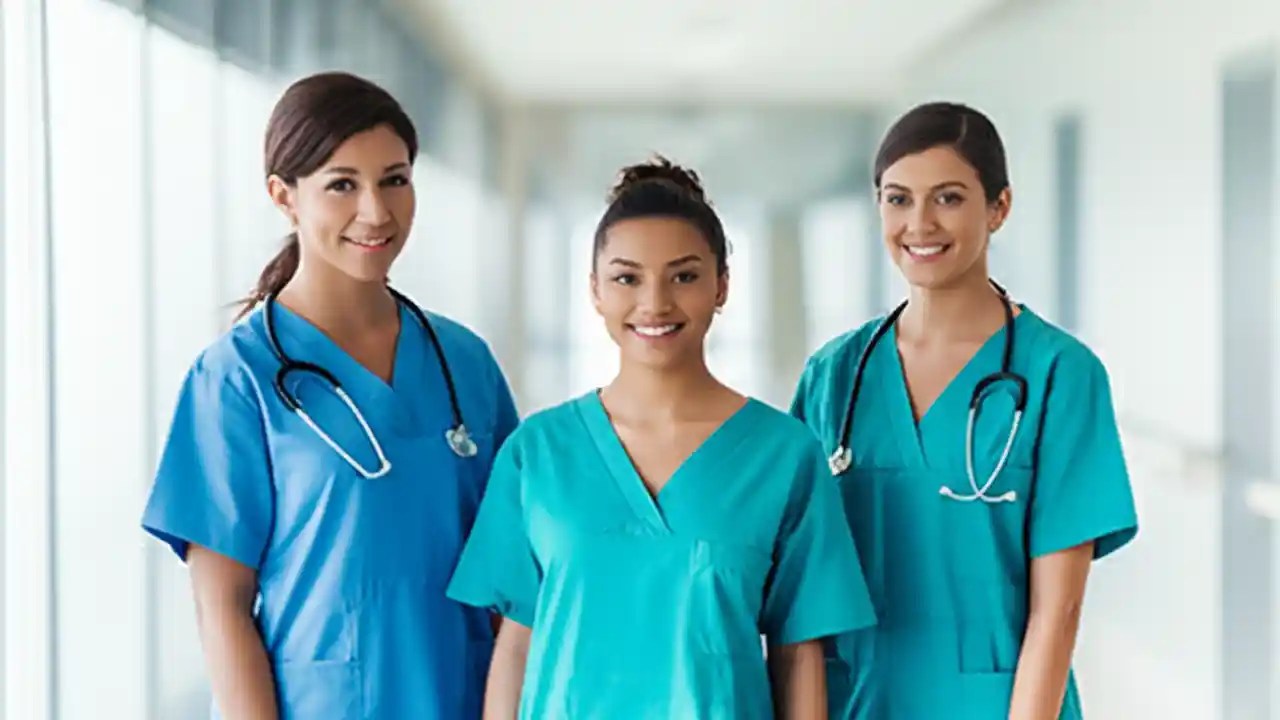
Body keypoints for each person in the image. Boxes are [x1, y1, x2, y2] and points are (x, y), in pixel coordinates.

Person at [140, 71, 519, 720]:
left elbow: (516, 577)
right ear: (283, 196)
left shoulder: (465, 363)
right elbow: (222, 605)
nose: (376, 211)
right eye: (342, 184)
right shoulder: (239, 376)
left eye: (395, 179)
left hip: (462, 699)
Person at [446, 156, 876, 719]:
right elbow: (518, 644)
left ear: (722, 285)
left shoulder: (784, 455)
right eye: (627, 278)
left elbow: (798, 655)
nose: (655, 303)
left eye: (685, 276)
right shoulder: (539, 452)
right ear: (595, 290)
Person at [790, 101, 1139, 719]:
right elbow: (800, 586)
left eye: (948, 198)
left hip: (1000, 703)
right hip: (858, 702)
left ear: (998, 207)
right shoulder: (834, 374)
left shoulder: (1060, 373)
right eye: (897, 199)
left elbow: (1056, 611)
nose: (919, 224)